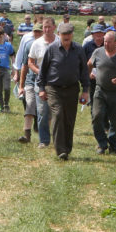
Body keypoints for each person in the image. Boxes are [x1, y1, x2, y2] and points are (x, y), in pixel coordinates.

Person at [37, 22, 91, 160]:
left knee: (69, 119)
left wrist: (85, 90)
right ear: (59, 35)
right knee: (59, 114)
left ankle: (67, 148)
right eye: (63, 34)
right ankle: (60, 149)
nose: (66, 36)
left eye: (69, 34)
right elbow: (42, 71)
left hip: (72, 88)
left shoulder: (79, 49)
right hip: (54, 88)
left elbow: (84, 71)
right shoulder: (51, 49)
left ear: (72, 34)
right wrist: (42, 89)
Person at [27, 18, 60, 147]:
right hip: (41, 82)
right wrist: (38, 71)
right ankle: (44, 140)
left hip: (57, 82)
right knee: (42, 112)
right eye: (44, 27)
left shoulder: (59, 41)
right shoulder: (37, 43)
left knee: (57, 112)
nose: (46, 30)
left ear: (54, 27)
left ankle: (58, 138)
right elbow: (30, 62)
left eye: (49, 27)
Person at [15, 23, 43, 143]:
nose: (36, 34)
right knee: (30, 105)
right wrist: (21, 86)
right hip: (30, 81)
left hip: (44, 82)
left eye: (39, 32)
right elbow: (25, 66)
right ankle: (27, 135)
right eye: (35, 31)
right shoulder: (28, 45)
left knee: (43, 110)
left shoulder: (50, 46)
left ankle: (44, 136)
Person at [0, 27, 14, 112]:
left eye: (0, 37)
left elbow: (12, 56)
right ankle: (1, 106)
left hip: (5, 69)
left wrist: (13, 68)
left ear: (4, 36)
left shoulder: (8, 46)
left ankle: (6, 103)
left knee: (7, 88)